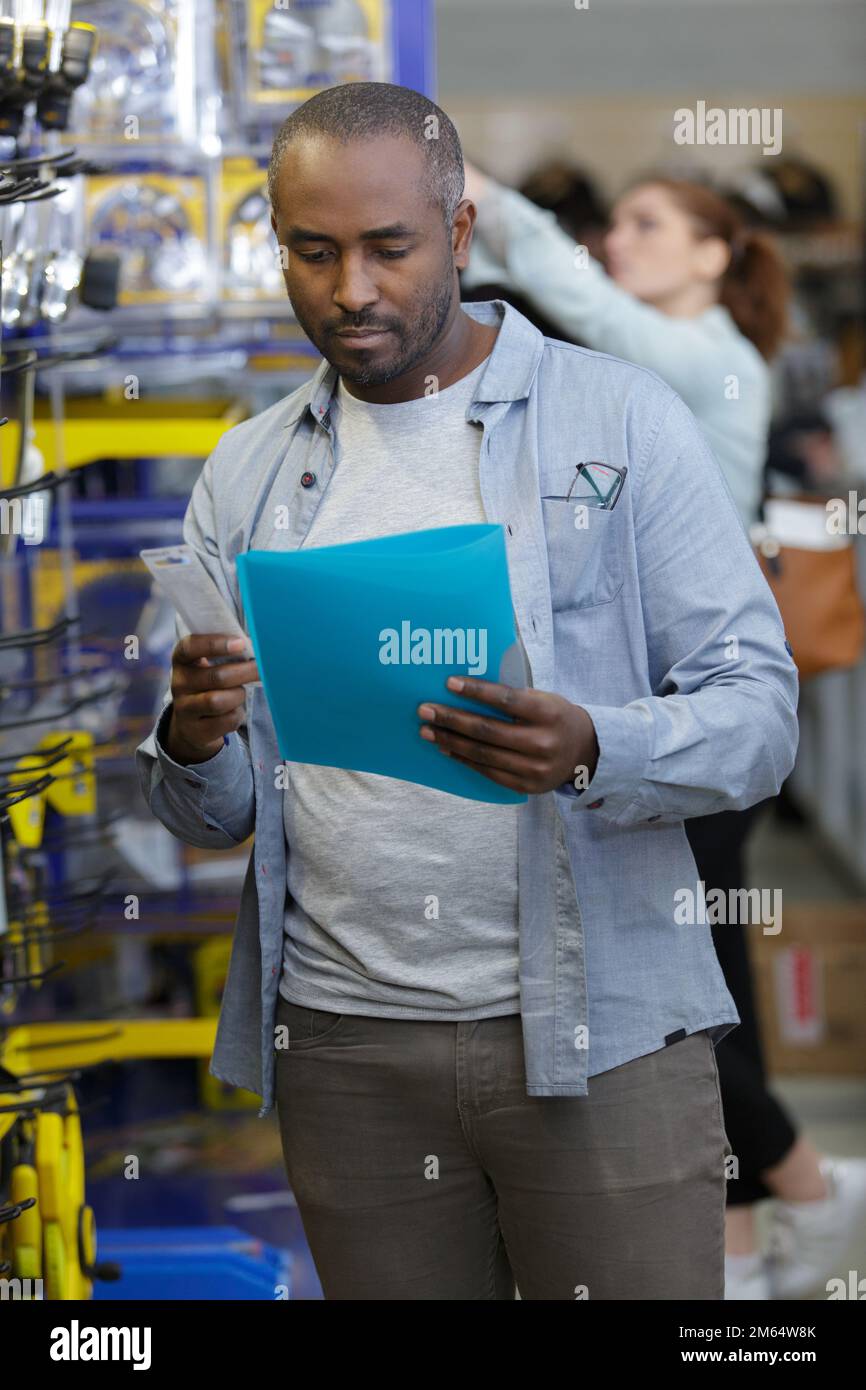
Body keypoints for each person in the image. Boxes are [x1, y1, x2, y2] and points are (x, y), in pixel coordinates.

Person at [136, 82, 799, 1301]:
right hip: (343, 1044)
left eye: (387, 248)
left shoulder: (620, 422)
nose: (351, 290)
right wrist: (194, 732)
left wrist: (594, 745)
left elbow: (757, 714)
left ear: (455, 232)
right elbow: (213, 813)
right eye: (312, 252)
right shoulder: (247, 472)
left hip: (598, 1037)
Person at [461, 165, 866, 1299]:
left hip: (686, 722)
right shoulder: (679, 360)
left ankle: (805, 1185)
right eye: (621, 222)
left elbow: (574, 294)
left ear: (711, 256)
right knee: (711, 973)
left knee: (670, 986)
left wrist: (493, 199)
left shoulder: (701, 358)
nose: (622, 241)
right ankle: (743, 1241)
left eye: (650, 225)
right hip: (664, 720)